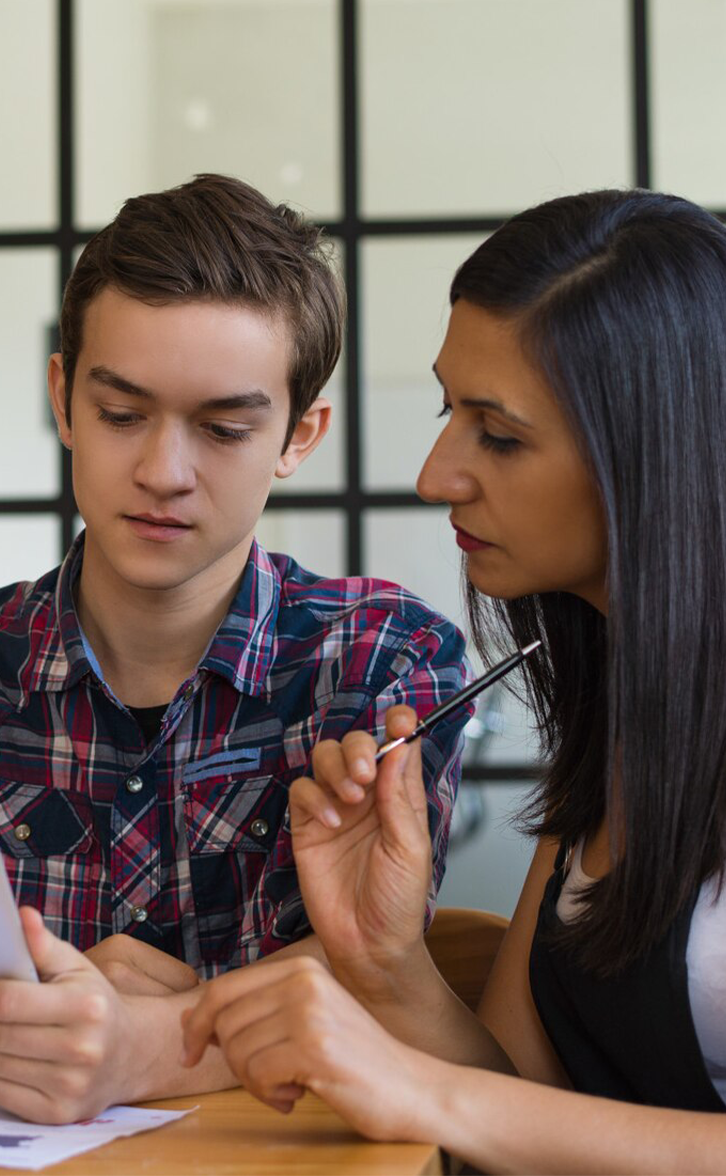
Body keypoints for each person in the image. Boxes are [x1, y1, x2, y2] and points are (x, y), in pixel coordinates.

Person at [0, 174, 469, 1121]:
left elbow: (378, 977)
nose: (162, 473)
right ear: (63, 398)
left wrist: (155, 1039)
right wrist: (60, 1027)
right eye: (121, 414)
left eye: (224, 428)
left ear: (299, 436)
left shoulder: (384, 659)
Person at [182, 188, 726, 1171]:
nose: (436, 474)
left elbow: (478, 1111)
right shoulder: (622, 717)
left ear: (659, 456)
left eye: (499, 433)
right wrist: (382, 960)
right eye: (449, 410)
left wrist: (423, 1089)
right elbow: (520, 1104)